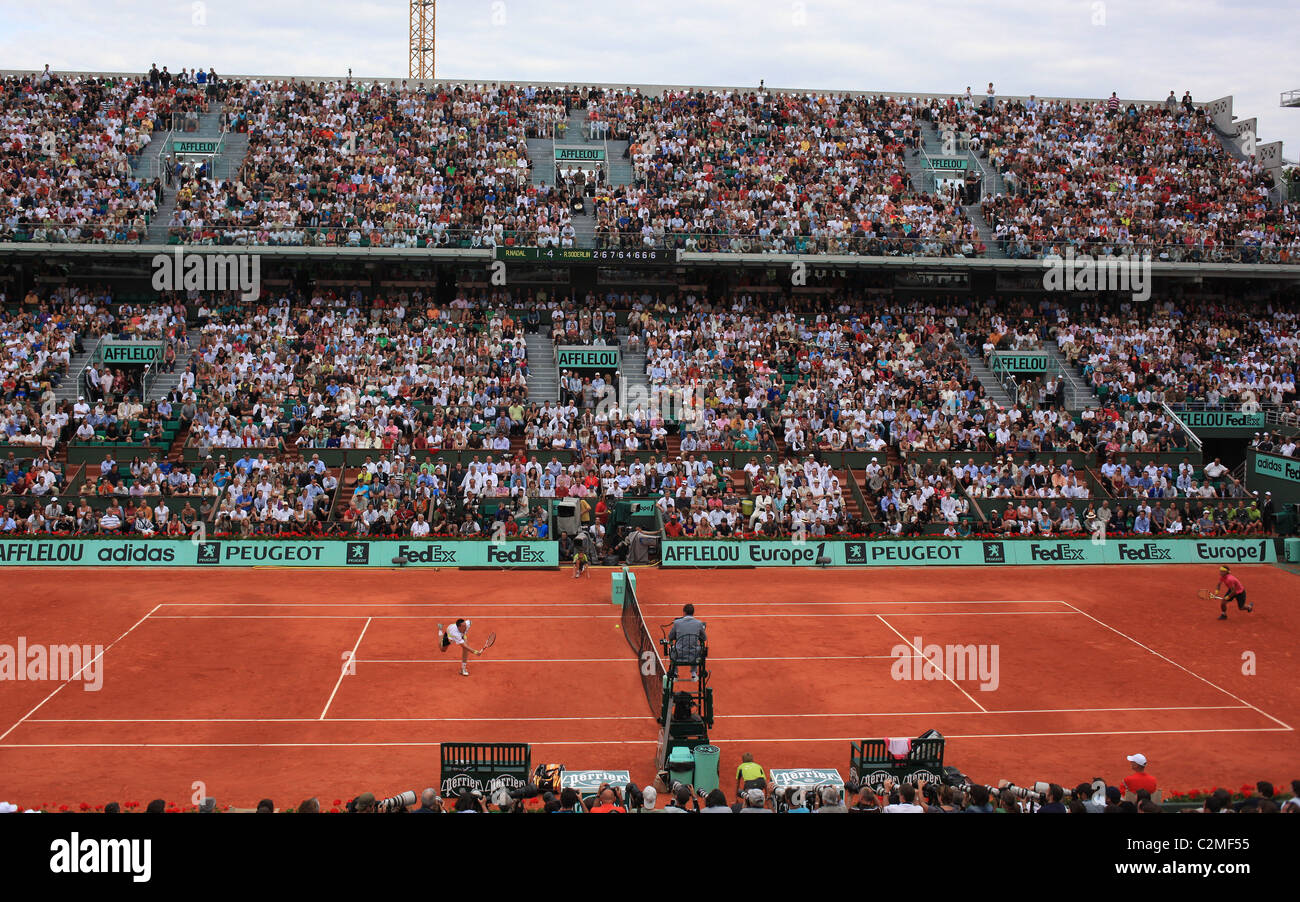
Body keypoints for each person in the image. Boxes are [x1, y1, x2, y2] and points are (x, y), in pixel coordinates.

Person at [667, 603, 707, 681]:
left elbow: (670, 637)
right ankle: (694, 673)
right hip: (693, 656)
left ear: (684, 612)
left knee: (672, 648)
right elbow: (704, 638)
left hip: (678, 655)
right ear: (693, 613)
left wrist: (678, 635)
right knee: (699, 648)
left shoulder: (677, 623)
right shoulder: (699, 623)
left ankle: (674, 674)